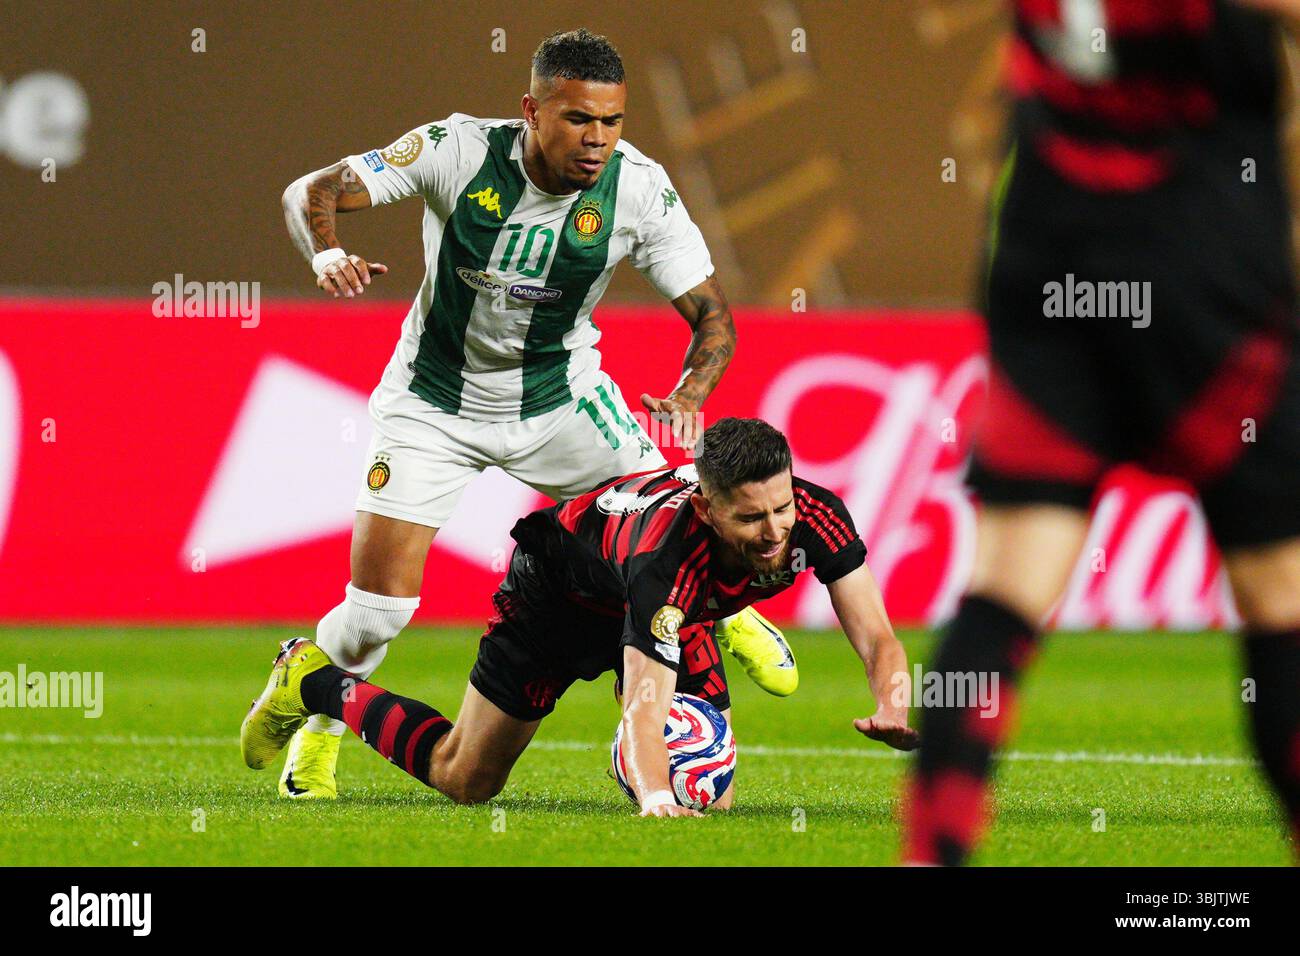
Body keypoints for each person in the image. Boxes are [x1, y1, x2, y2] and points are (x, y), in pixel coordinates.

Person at [274, 29, 797, 800]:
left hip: (561, 402)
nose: (596, 141)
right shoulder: (457, 150)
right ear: (531, 111)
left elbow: (715, 322)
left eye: (612, 122)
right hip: (432, 406)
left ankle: (728, 614)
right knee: (377, 613)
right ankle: (312, 716)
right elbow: (310, 190)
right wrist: (325, 253)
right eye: (578, 119)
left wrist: (688, 395)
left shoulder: (638, 189)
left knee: (676, 511)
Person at [904, 0, 1300, 864]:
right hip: (1204, 270)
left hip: (1048, 266)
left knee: (1004, 589)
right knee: (1282, 594)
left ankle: (930, 856)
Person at [242, 418, 918, 815]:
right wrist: (655, 803)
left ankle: (722, 626)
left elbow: (878, 635)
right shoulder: (668, 563)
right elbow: (644, 709)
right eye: (751, 518)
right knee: (466, 778)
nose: (774, 531)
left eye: (780, 509)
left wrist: (893, 703)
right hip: (559, 595)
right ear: (708, 510)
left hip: (673, 611)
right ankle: (311, 679)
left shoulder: (816, 515)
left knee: (709, 789)